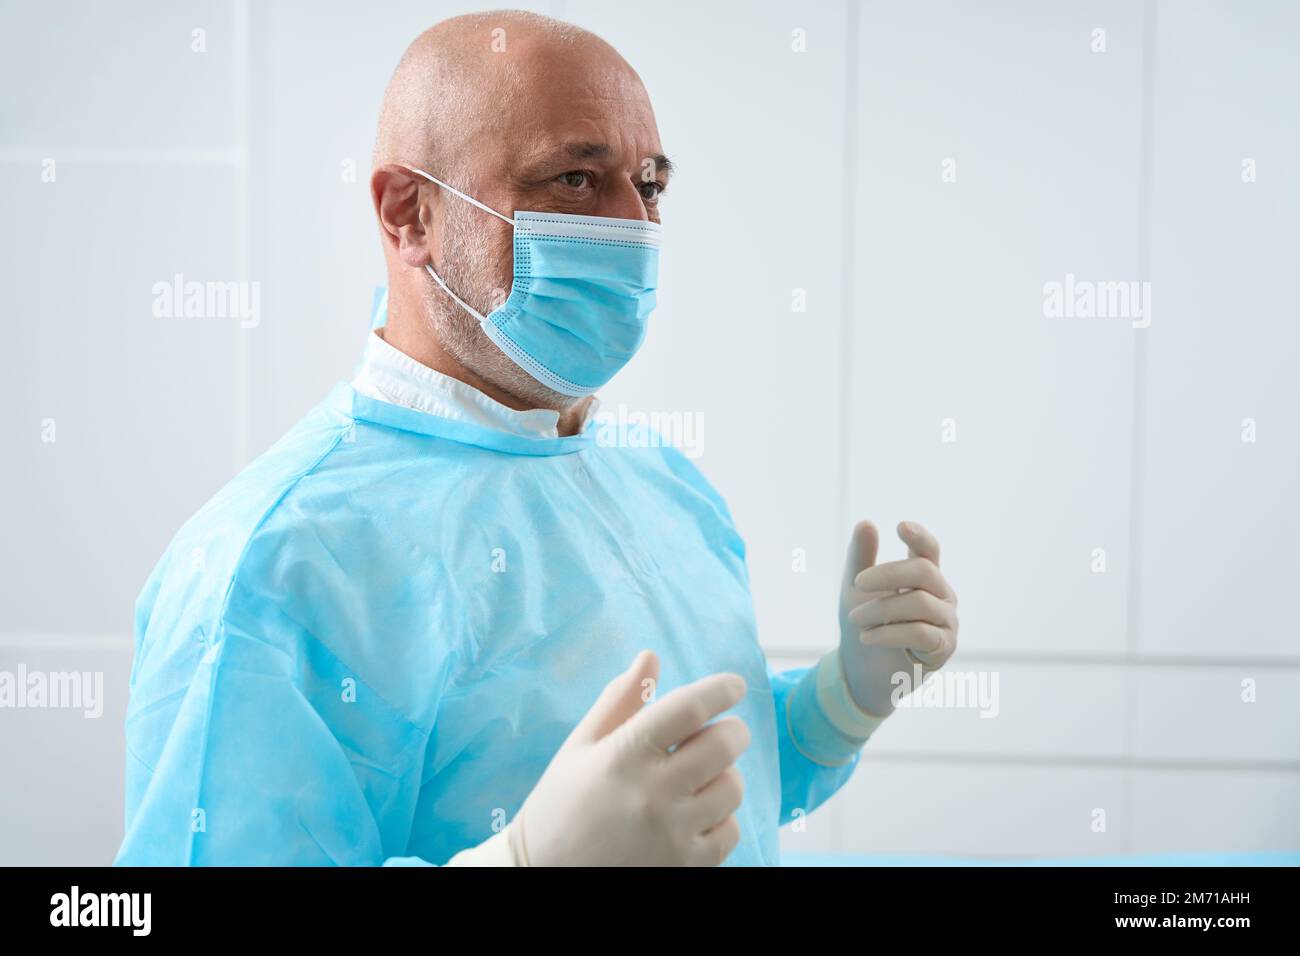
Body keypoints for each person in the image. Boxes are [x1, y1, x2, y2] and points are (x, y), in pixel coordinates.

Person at [116, 10, 958, 867]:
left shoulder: (660, 483)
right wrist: (521, 860)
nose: (635, 226)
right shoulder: (270, 570)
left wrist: (840, 703)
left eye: (651, 185)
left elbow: (709, 799)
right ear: (410, 213)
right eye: (575, 180)